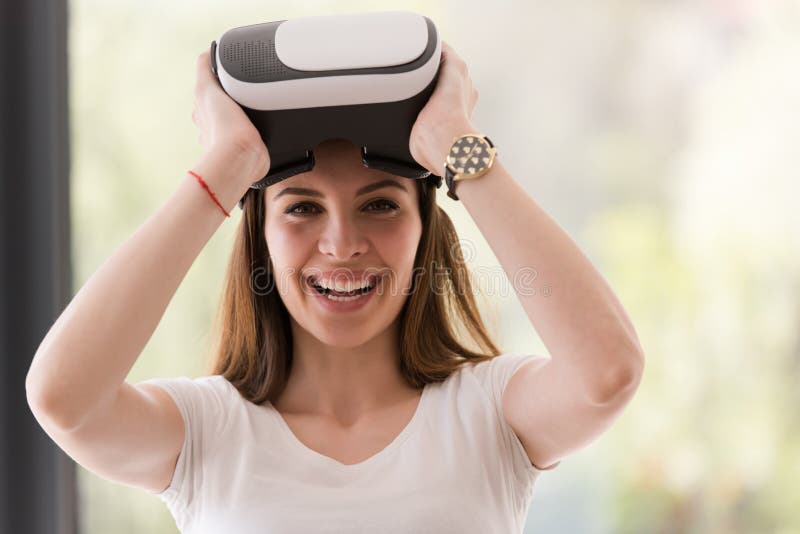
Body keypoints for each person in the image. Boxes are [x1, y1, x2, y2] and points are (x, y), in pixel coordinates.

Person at [26, 40, 645, 533]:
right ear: (259, 237)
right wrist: (227, 162)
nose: (342, 243)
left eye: (380, 205)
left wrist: (458, 148)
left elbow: (607, 373)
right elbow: (62, 398)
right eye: (301, 208)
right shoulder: (206, 431)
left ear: (425, 231)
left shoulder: (488, 412)